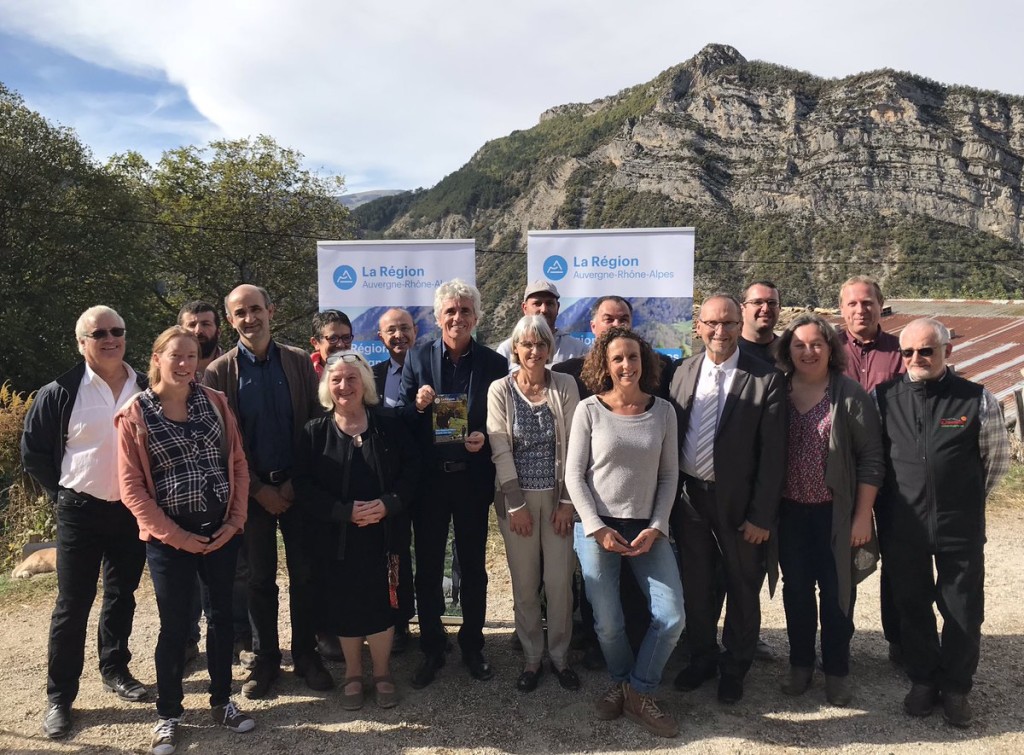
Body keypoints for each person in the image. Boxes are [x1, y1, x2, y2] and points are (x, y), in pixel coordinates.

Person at [116, 327, 255, 754]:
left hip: (220, 533)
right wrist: (177, 536)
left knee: (222, 619)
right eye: (175, 355)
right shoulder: (134, 414)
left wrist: (234, 522)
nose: (184, 364)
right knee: (176, 627)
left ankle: (222, 701)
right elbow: (132, 489)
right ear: (156, 358)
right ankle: (169, 713)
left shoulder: (214, 403)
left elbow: (236, 462)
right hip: (169, 539)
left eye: (191, 356)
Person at [21, 305, 149, 740]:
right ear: (82, 342)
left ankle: (115, 669)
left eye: (118, 330)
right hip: (80, 509)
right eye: (99, 333)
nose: (110, 338)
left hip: (131, 510)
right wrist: (61, 495)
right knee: (73, 603)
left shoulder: (144, 386)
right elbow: (33, 451)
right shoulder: (59, 391)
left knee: (122, 594)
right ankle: (60, 697)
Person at [875, 318, 1010, 727]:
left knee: (963, 609)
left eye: (926, 351)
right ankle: (922, 680)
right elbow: (874, 461)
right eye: (909, 352)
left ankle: (955, 687)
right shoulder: (882, 398)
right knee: (911, 606)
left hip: (959, 526)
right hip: (904, 526)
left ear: (946, 352)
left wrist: (962, 501)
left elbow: (996, 462)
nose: (917, 358)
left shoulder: (976, 399)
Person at [202, 284, 332, 698]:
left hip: (298, 489)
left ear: (271, 311)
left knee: (306, 576)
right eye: (240, 313)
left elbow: (317, 426)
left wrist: (295, 482)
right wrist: (258, 489)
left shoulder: (297, 362)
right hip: (251, 494)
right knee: (258, 580)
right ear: (231, 320)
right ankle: (266, 660)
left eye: (256, 309)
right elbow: (220, 442)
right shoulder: (218, 373)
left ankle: (307, 656)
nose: (249, 318)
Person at [564, 327, 682, 737]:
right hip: (598, 528)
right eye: (618, 358)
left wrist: (657, 526)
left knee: (671, 617)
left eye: (632, 357)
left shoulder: (663, 411)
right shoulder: (590, 410)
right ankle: (621, 680)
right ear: (606, 365)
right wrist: (596, 529)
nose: (626, 365)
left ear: (644, 361)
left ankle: (637, 689)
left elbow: (669, 477)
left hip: (648, 529)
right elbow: (574, 476)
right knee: (608, 623)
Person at [669, 293, 786, 704]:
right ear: (698, 327)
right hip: (690, 501)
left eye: (729, 324)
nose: (720, 332)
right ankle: (702, 658)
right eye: (712, 324)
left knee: (742, 586)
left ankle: (735, 668)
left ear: (741, 326)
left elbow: (774, 458)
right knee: (696, 587)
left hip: (740, 507)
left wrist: (761, 516)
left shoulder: (766, 379)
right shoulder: (682, 373)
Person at [398, 279, 508, 688]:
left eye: (465, 311)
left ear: (476, 317)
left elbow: (500, 422)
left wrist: (482, 435)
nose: (458, 317)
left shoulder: (495, 364)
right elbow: (404, 422)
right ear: (438, 316)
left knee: (473, 568)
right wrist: (418, 405)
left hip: (471, 480)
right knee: (427, 569)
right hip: (429, 484)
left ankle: (472, 645)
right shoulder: (418, 357)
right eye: (451, 310)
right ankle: (431, 647)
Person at [293, 350, 419, 710]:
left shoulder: (390, 424)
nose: (345, 386)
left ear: (365, 383)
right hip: (337, 541)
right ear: (327, 388)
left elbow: (412, 472)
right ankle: (352, 674)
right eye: (337, 380)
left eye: (352, 379)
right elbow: (303, 485)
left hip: (386, 538)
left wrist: (389, 504)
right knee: (345, 607)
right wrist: (343, 512)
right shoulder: (314, 431)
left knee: (385, 604)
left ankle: (381, 674)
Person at [771, 314, 884, 707]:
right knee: (796, 593)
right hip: (789, 514)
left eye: (816, 343)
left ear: (831, 349)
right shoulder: (778, 391)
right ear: (787, 350)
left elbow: (871, 459)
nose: (808, 351)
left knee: (838, 594)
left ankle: (837, 671)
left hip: (833, 514)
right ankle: (800, 665)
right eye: (799, 344)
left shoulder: (849, 394)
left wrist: (861, 517)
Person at [487, 315, 581, 692]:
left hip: (557, 500)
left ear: (549, 348)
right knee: (525, 585)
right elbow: (499, 446)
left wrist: (567, 501)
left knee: (559, 583)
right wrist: (515, 504)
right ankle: (531, 658)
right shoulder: (500, 390)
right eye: (526, 344)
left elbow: (576, 445)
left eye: (541, 344)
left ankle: (559, 658)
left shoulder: (566, 385)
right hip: (517, 502)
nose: (534, 350)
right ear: (515, 349)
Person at [837, 275, 907, 667]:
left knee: (899, 561)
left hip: (896, 472)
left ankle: (900, 641)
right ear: (841, 309)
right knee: (844, 561)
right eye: (852, 304)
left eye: (867, 303)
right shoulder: (826, 350)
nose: (860, 310)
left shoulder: (902, 351)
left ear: (881, 306)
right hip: (842, 474)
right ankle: (840, 642)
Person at [177, 300, 250, 666]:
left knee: (236, 569)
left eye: (206, 324)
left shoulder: (232, 367)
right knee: (187, 573)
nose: (199, 330)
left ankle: (238, 639)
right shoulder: (171, 370)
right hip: (182, 492)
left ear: (217, 328)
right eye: (192, 324)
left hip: (228, 485)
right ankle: (189, 639)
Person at [371, 307, 419, 653]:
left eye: (405, 328)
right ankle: (397, 623)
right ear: (380, 338)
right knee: (394, 554)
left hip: (428, 477)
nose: (399, 335)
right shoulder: (369, 377)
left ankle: (429, 623)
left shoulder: (430, 368)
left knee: (432, 557)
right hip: (389, 483)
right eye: (392, 330)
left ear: (415, 332)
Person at [495, 281, 587, 367]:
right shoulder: (506, 350)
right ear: (525, 308)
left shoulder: (578, 350)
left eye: (549, 303)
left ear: (558, 307)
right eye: (537, 303)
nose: (544, 309)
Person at [738, 281, 781, 365]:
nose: (765, 309)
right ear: (742, 309)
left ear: (779, 308)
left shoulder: (789, 352)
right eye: (757, 302)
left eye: (772, 303)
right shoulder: (728, 351)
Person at [310, 309, 354, 379]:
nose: (340, 344)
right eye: (333, 338)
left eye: (346, 338)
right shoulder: (304, 374)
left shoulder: (361, 373)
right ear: (316, 343)